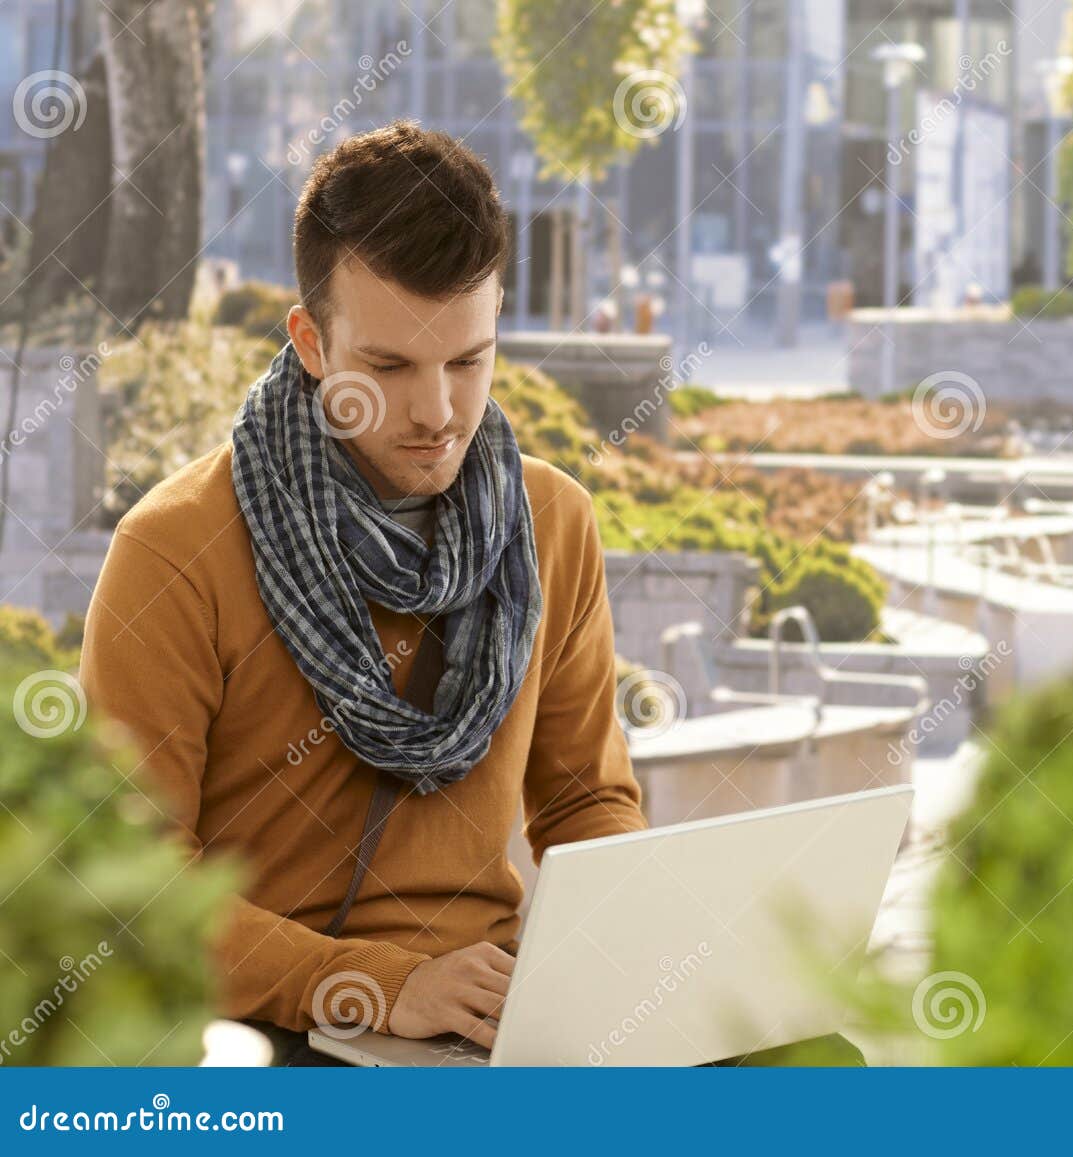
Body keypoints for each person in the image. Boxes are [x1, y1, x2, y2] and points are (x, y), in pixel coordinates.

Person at [78, 121, 649, 1058]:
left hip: (490, 1014)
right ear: (311, 341)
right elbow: (128, 886)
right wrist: (377, 987)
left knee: (814, 1061)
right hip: (277, 1026)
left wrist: (650, 945)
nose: (438, 412)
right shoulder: (176, 549)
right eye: (390, 367)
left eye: (469, 361)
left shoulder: (552, 520)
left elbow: (586, 800)